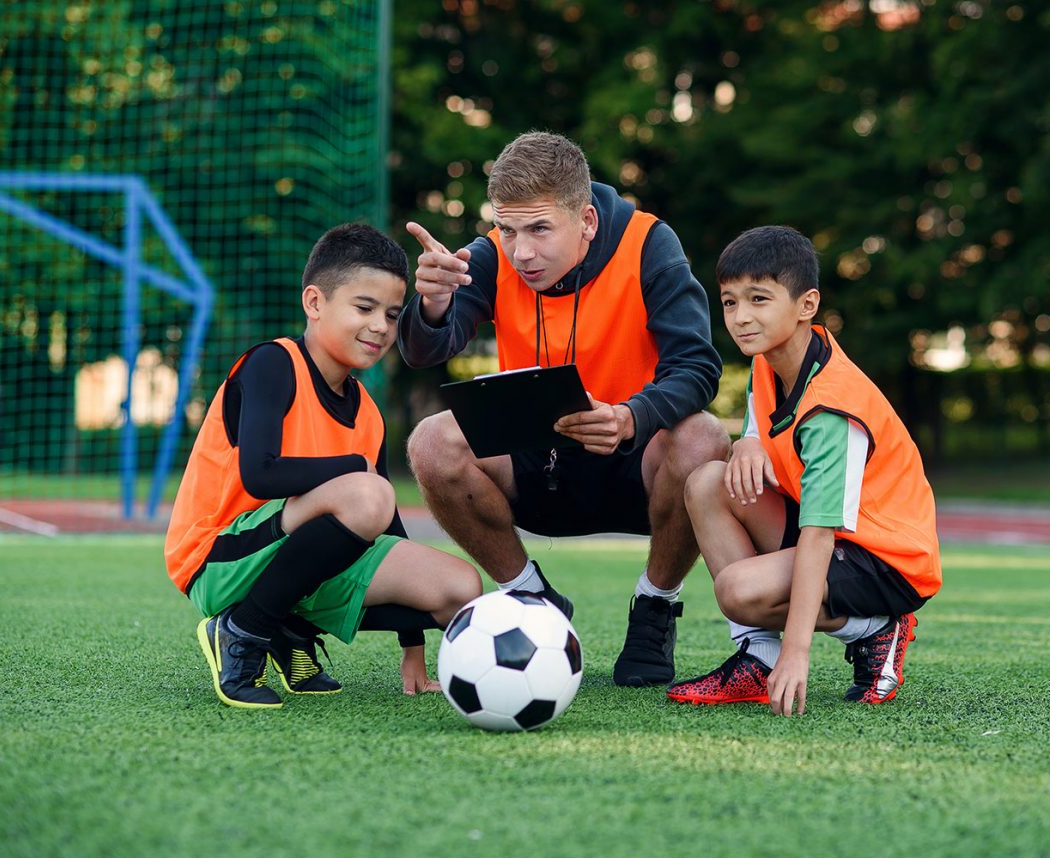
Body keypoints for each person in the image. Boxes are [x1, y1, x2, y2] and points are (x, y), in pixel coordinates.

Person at [398, 131, 727, 687]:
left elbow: (697, 367)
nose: (521, 251)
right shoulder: (489, 255)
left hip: (635, 464)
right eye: (508, 229)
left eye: (540, 229)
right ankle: (529, 597)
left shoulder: (650, 244)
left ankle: (655, 607)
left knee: (705, 437)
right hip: (535, 468)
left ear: (588, 221)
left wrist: (630, 417)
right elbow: (428, 349)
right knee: (431, 441)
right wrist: (431, 304)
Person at [164, 223, 482, 709]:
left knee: (460, 587)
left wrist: (413, 648)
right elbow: (260, 475)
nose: (381, 325)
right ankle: (243, 631)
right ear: (314, 303)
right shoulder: (272, 363)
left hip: (300, 559)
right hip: (221, 559)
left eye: (393, 314)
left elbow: (388, 529)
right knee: (367, 492)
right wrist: (354, 469)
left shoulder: (368, 412)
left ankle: (288, 628)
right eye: (364, 307)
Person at [666, 225, 941, 715]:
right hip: (841, 541)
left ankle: (877, 626)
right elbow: (759, 419)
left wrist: (798, 653)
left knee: (738, 590)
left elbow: (819, 534)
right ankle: (758, 656)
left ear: (806, 305)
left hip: (887, 559)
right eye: (730, 302)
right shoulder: (771, 357)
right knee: (707, 481)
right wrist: (747, 440)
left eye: (758, 299)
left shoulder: (832, 408)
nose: (741, 318)